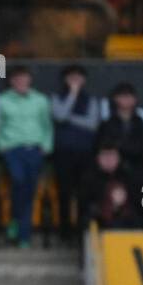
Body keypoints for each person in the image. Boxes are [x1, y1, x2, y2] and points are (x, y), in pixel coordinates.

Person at [0, 65, 52, 247]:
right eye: (17, 79)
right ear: (11, 81)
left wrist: (46, 146)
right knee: (18, 181)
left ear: (29, 80)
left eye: (24, 78)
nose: (20, 82)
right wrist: (1, 145)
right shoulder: (2, 100)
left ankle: (22, 234)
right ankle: (16, 222)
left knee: (30, 191)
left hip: (34, 150)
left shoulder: (40, 100)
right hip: (12, 149)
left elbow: (46, 125)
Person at [49, 65, 97, 241]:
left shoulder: (91, 100)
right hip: (63, 154)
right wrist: (72, 95)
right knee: (64, 194)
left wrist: (70, 118)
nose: (75, 81)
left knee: (84, 194)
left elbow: (92, 124)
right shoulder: (57, 97)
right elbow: (59, 115)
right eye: (71, 77)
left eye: (78, 77)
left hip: (85, 154)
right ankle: (65, 233)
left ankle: (82, 232)